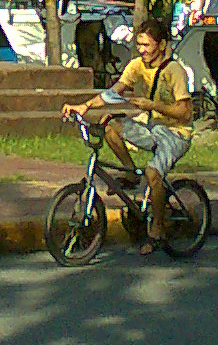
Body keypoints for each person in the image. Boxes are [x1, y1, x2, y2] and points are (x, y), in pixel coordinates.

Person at [61, 17, 193, 254]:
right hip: (153, 128)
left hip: (176, 133)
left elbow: (185, 112)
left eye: (147, 46)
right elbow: (113, 93)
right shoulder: (136, 66)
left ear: (161, 45)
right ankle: (131, 174)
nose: (142, 51)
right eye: (139, 45)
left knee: (154, 173)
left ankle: (158, 228)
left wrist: (152, 105)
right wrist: (85, 106)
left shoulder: (175, 71)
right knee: (111, 126)